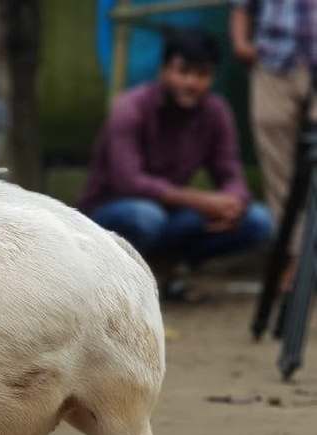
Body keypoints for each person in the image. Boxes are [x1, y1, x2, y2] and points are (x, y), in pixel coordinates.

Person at [79, 28, 273, 292]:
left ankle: (167, 266)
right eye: (183, 72)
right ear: (164, 71)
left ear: (212, 77)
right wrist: (202, 201)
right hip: (109, 213)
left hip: (171, 217)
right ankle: (119, 280)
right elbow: (129, 182)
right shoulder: (130, 107)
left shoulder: (216, 112)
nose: (192, 83)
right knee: (146, 217)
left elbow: (231, 174)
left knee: (257, 221)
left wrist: (232, 203)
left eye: (202, 74)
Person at [230, 0, 316, 291]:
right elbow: (241, 4)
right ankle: (295, 260)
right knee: (278, 169)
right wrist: (241, 43)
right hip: (274, 62)